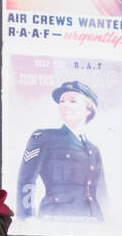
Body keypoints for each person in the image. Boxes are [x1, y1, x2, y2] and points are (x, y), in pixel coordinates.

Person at [17, 81, 109, 222]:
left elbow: (101, 192)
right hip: (56, 216)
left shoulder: (93, 149)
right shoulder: (43, 137)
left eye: (72, 101)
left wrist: (106, 221)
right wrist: (26, 216)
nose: (65, 105)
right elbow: (26, 179)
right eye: (62, 101)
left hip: (92, 218)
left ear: (88, 108)